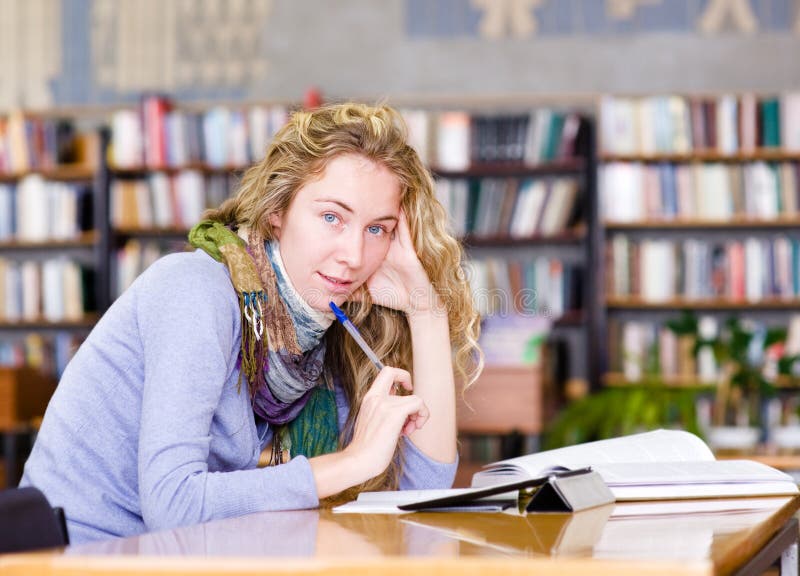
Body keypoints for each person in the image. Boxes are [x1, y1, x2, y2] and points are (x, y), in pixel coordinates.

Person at [20, 102, 482, 543]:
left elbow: (425, 487)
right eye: (331, 217)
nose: (354, 256)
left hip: (181, 556)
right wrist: (349, 462)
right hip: (80, 558)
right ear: (277, 212)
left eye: (376, 229)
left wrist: (426, 311)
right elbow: (173, 505)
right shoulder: (195, 290)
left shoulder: (317, 333)